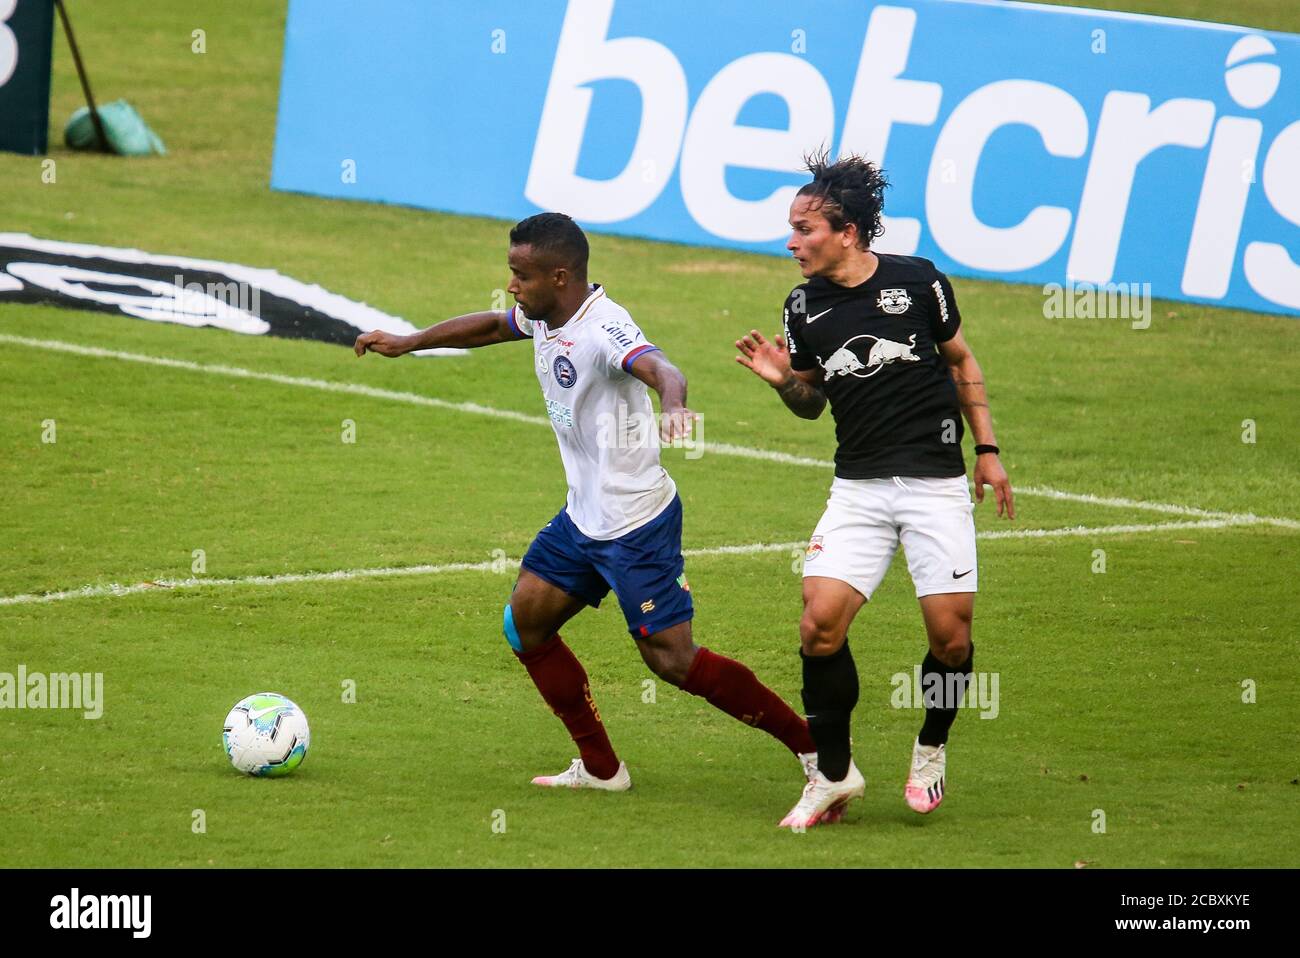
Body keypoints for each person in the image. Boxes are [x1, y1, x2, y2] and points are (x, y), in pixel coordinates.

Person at [357, 212, 816, 803]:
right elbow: (495, 326)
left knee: (672, 662)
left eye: (520, 275)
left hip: (635, 523)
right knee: (525, 623)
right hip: (583, 517)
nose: (512, 286)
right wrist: (412, 342)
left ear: (560, 274)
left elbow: (661, 368)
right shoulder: (546, 311)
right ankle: (602, 767)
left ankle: (810, 746)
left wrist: (674, 406)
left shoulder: (604, 328)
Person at [735, 153, 1015, 828]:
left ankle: (931, 747)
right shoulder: (802, 305)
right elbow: (813, 402)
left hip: (934, 483)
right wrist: (782, 382)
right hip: (857, 486)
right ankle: (833, 774)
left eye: (805, 229)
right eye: (792, 229)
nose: (792, 241)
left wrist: (988, 450)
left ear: (849, 232)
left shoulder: (920, 283)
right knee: (818, 624)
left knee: (950, 639)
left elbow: (962, 359)